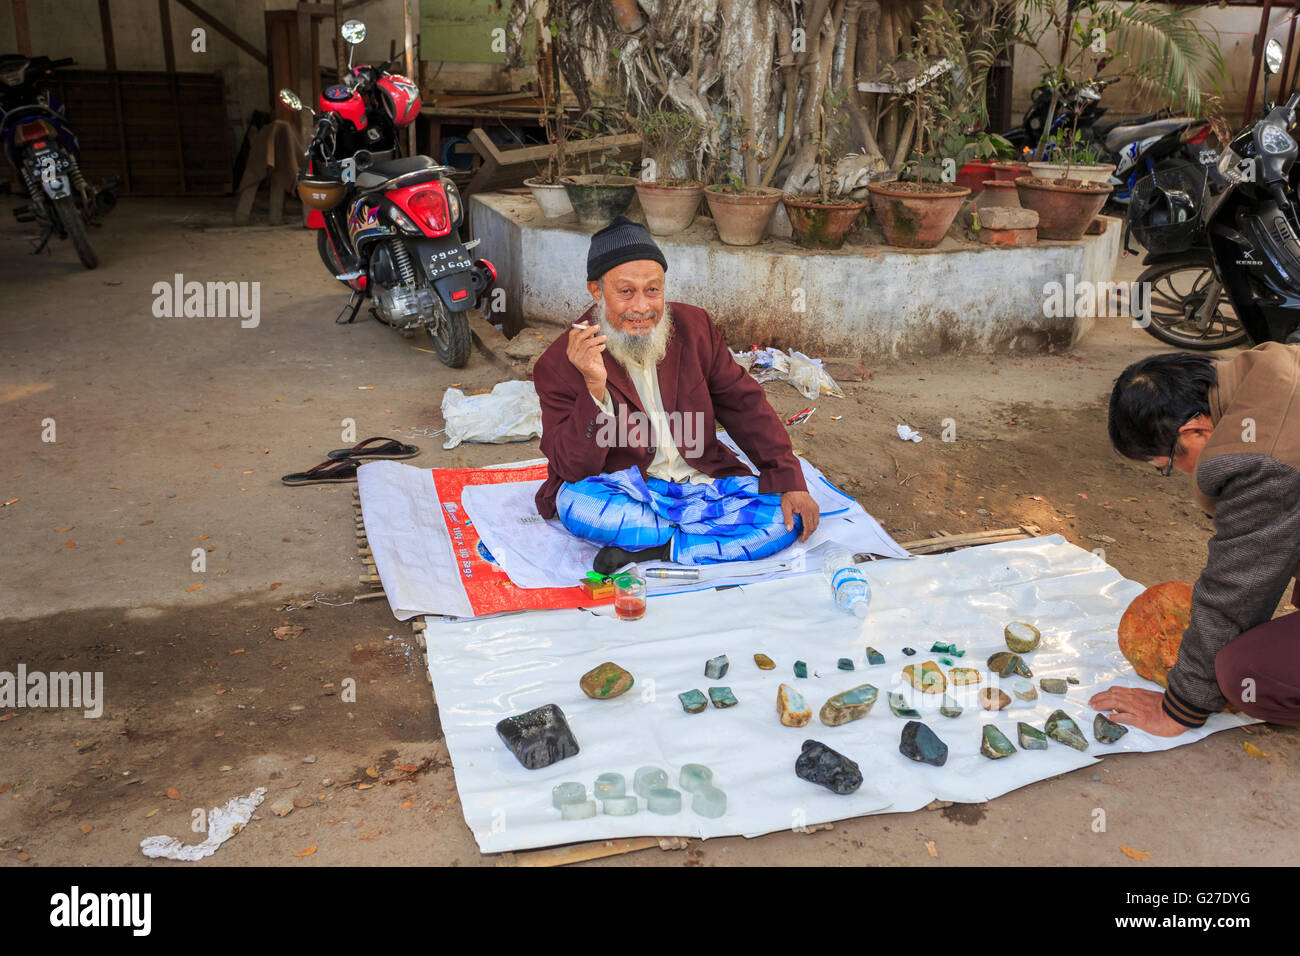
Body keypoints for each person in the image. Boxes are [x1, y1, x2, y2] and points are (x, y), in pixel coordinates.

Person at [532, 216, 820, 574]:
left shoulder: (695, 327)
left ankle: (656, 550)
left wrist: (787, 477)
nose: (641, 307)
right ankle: (707, 541)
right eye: (626, 292)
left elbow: (745, 404)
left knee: (784, 519)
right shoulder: (561, 361)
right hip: (630, 490)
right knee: (578, 506)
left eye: (652, 290)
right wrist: (593, 387)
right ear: (596, 291)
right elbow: (572, 468)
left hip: (705, 484)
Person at [1094, 344, 1300, 733]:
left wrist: (1181, 707)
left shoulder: (1259, 456)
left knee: (1246, 673)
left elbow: (1237, 589)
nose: (1182, 475)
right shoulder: (1270, 366)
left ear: (1195, 430)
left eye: (1167, 466)